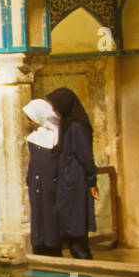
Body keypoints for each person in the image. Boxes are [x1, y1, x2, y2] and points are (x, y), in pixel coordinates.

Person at [45, 87, 99, 260]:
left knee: (76, 227)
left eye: (55, 106)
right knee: (70, 226)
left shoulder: (77, 127)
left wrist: (92, 181)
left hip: (75, 183)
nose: (54, 110)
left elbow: (85, 155)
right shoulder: (67, 123)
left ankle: (84, 272)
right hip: (67, 181)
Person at [22, 97, 63, 256]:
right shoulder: (34, 138)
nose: (29, 122)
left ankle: (53, 247)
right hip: (36, 183)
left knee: (51, 215)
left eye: (31, 118)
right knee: (38, 215)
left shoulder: (58, 136)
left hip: (51, 183)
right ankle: (39, 245)